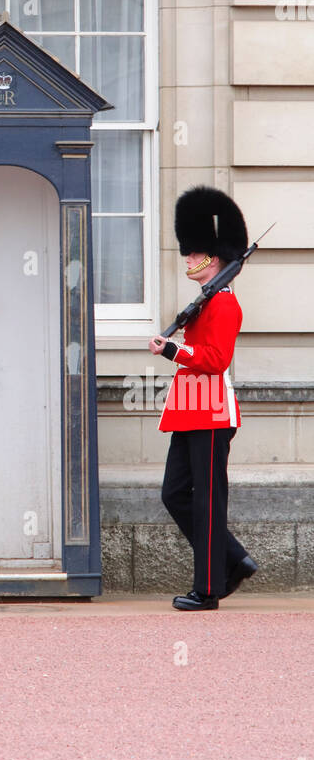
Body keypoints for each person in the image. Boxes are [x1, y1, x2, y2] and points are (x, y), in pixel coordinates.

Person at [148, 186, 258, 611]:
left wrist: (172, 349)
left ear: (214, 259)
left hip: (211, 412)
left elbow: (214, 360)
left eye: (194, 254)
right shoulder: (205, 302)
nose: (188, 260)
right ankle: (234, 560)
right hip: (191, 411)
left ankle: (208, 589)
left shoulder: (225, 304)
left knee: (208, 501)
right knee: (175, 494)